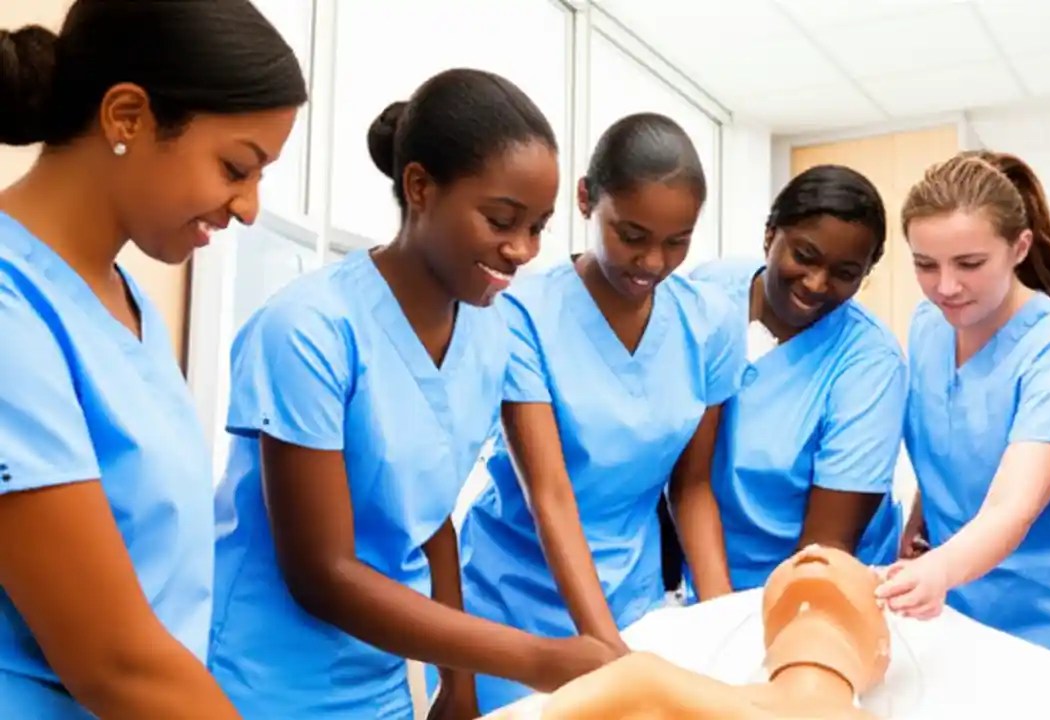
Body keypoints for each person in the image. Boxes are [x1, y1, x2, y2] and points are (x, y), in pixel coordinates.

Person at [205, 69, 617, 719]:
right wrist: (534, 659)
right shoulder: (309, 329)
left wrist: (459, 681)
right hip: (261, 681)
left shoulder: (492, 331)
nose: (521, 251)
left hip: (379, 680)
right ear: (420, 187)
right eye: (501, 220)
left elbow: (428, 522)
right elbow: (321, 573)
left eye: (537, 227)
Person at [0, 2, 305, 717]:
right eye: (237, 166)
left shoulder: (124, 298)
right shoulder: (11, 312)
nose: (251, 208)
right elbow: (114, 660)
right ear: (127, 117)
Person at [458, 112, 746, 713]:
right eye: (632, 234)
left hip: (634, 598)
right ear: (587, 199)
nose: (653, 262)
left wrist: (721, 626)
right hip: (516, 602)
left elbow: (690, 489)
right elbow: (550, 493)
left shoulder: (712, 322)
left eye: (678, 241)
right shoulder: (523, 312)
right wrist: (608, 654)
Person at [877, 151, 1050, 698]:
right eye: (926, 264)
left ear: (1019, 247)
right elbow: (949, 435)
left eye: (969, 264)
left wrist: (939, 571)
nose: (945, 286)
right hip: (964, 596)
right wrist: (924, 517)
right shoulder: (929, 324)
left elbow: (1012, 507)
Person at [688, 164, 906, 591]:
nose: (816, 284)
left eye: (845, 273)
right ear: (770, 235)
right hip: (709, 567)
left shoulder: (871, 364)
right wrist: (715, 604)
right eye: (804, 256)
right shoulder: (708, 293)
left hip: (819, 583)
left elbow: (823, 551)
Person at [481, 544, 890, 720]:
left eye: (852, 565)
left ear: (882, 652)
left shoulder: (653, 686)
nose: (812, 550)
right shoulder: (644, 684)